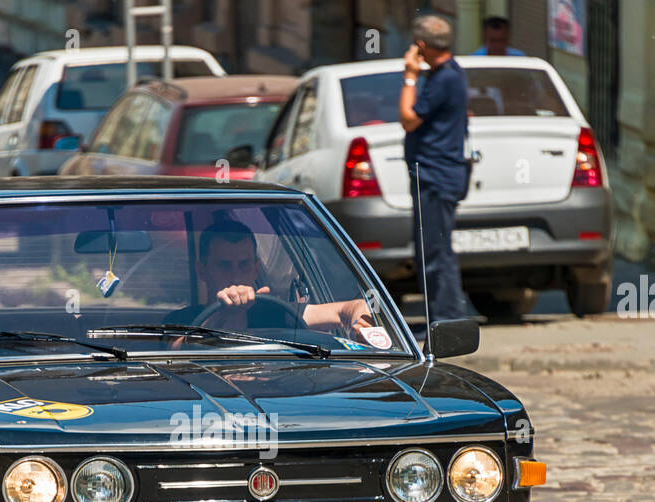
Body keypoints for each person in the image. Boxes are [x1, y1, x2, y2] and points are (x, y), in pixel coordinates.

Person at [165, 219, 380, 344]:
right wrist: (224, 316)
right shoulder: (181, 320)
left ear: (256, 268)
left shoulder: (276, 313)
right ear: (202, 270)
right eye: (224, 265)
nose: (235, 275)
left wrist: (359, 324)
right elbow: (177, 353)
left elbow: (349, 307)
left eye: (244, 264)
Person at [399, 13, 468, 326]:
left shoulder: (445, 78)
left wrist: (410, 75)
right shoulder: (449, 74)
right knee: (432, 251)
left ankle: (447, 321)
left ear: (421, 45)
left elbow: (408, 117)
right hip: (436, 174)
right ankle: (441, 319)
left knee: (436, 253)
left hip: (436, 176)